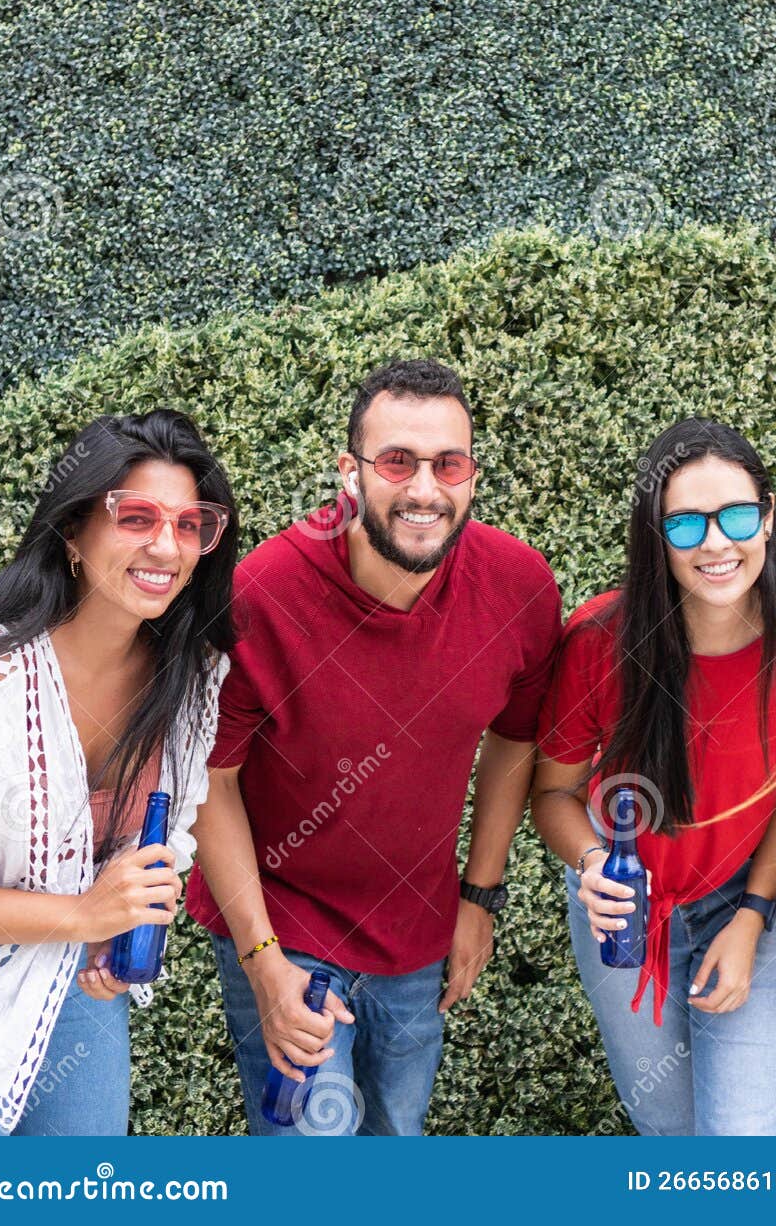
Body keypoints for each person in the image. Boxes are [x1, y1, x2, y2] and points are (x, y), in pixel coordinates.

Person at [186, 357, 563, 1136]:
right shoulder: (262, 593)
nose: (424, 489)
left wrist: (479, 896)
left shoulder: (518, 586)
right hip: (284, 920)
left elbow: (515, 738)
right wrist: (262, 961)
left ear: (471, 474)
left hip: (417, 932)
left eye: (447, 464)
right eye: (396, 462)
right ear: (349, 472)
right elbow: (210, 782)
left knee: (396, 1137)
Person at [531, 417, 776, 1136]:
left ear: (767, 517)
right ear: (656, 536)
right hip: (626, 901)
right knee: (670, 1135)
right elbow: (552, 792)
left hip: (759, 895)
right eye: (684, 525)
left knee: (741, 1143)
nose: (714, 543)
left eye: (735, 516)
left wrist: (752, 916)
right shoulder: (599, 639)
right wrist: (593, 866)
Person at [0, 409, 236, 1135]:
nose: (166, 546)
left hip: (76, 983)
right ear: (73, 531)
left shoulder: (191, 677)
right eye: (136, 517)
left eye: (190, 524)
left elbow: (174, 830)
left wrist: (118, 923)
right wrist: (84, 913)